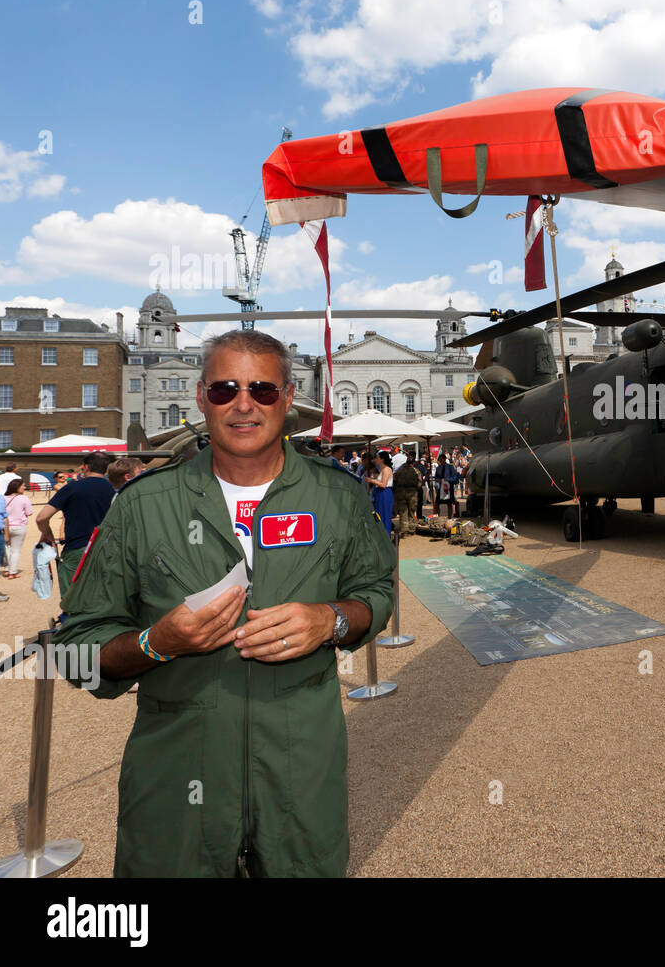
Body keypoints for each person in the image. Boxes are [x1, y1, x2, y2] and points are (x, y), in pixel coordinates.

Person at [55, 329, 396, 877]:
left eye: (262, 390)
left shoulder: (338, 496)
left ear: (287, 399)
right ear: (200, 398)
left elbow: (376, 593)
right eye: (224, 389)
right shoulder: (143, 506)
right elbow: (75, 649)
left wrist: (329, 620)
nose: (243, 404)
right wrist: (155, 643)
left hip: (301, 775)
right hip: (175, 780)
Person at [35, 452, 116, 597]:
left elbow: (41, 518)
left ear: (86, 467)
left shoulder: (72, 488)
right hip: (108, 549)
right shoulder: (114, 490)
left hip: (78, 548)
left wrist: (47, 534)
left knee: (72, 598)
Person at [4, 477, 34, 579]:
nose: (24, 487)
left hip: (6, 527)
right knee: (16, 550)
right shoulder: (24, 498)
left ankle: (7, 569)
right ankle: (13, 572)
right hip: (19, 526)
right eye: (23, 486)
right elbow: (29, 512)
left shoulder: (3, 498)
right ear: (17, 487)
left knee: (7, 549)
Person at [391, 449, 422, 535]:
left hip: (400, 493)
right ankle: (412, 529)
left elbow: (395, 479)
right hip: (412, 494)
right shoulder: (416, 471)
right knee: (412, 511)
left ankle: (404, 529)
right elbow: (419, 483)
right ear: (413, 463)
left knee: (403, 512)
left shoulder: (399, 471)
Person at [367, 449, 394, 533]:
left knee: (384, 516)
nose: (375, 460)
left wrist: (371, 480)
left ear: (382, 459)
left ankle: (386, 535)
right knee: (379, 515)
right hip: (380, 493)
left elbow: (383, 484)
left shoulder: (386, 469)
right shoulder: (382, 469)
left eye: (377, 458)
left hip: (384, 493)